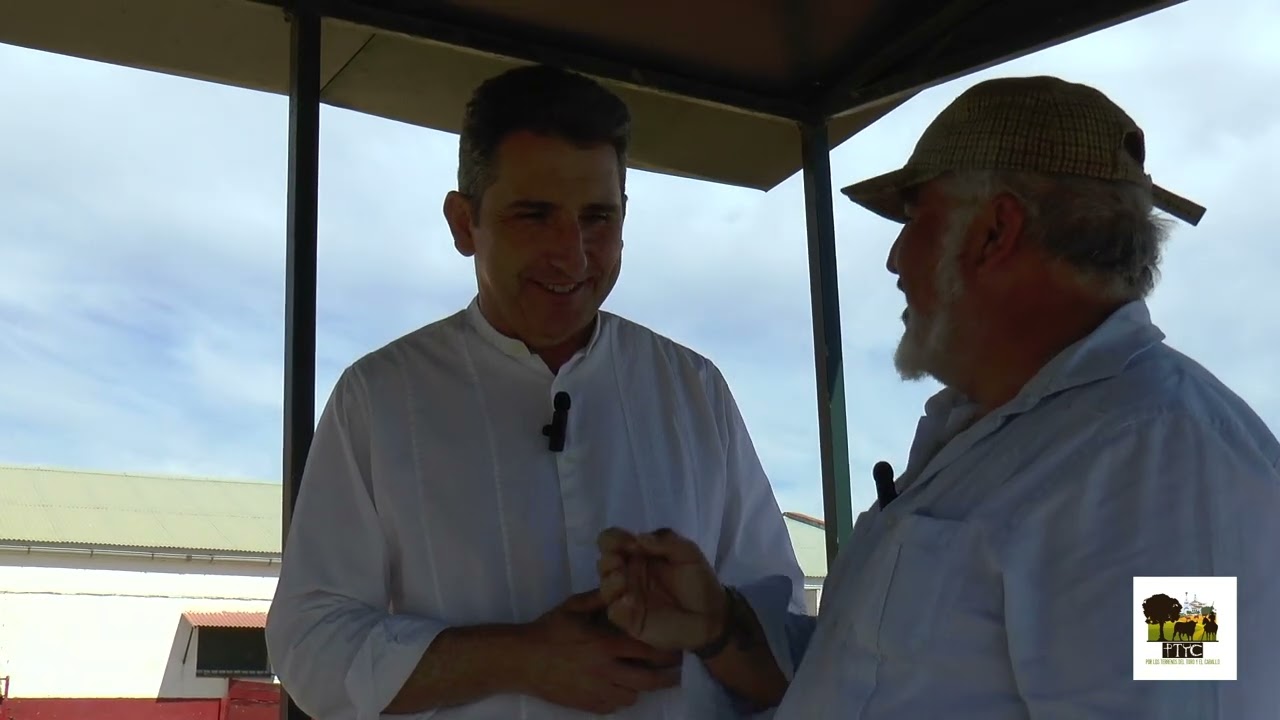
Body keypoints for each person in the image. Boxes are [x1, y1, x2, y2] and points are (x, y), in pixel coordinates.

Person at [595, 75, 1280, 719]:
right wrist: (719, 627)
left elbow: (1188, 700)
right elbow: (860, 682)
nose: (895, 259)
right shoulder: (993, 437)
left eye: (913, 216)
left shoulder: (1161, 465)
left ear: (994, 232)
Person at [263, 63, 807, 720]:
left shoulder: (694, 391)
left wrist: (716, 621)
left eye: (597, 217)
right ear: (464, 223)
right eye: (535, 215)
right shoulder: (380, 399)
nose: (573, 256)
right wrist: (521, 656)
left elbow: (790, 641)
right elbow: (310, 642)